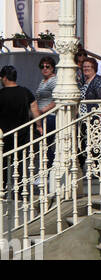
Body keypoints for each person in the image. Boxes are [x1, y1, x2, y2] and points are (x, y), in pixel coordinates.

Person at [0, 64, 40, 196]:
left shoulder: (1, 94)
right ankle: (21, 187)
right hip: (22, 132)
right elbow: (34, 109)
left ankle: (3, 187)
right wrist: (39, 125)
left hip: (4, 133)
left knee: (4, 162)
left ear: (5, 78)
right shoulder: (25, 92)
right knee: (21, 161)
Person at [34, 56, 58, 170]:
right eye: (42, 66)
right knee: (43, 144)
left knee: (45, 143)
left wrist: (43, 110)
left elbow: (56, 100)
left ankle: (50, 168)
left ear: (52, 68)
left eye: (47, 66)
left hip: (50, 116)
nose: (45, 69)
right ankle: (47, 168)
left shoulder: (54, 80)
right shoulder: (43, 81)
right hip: (42, 116)